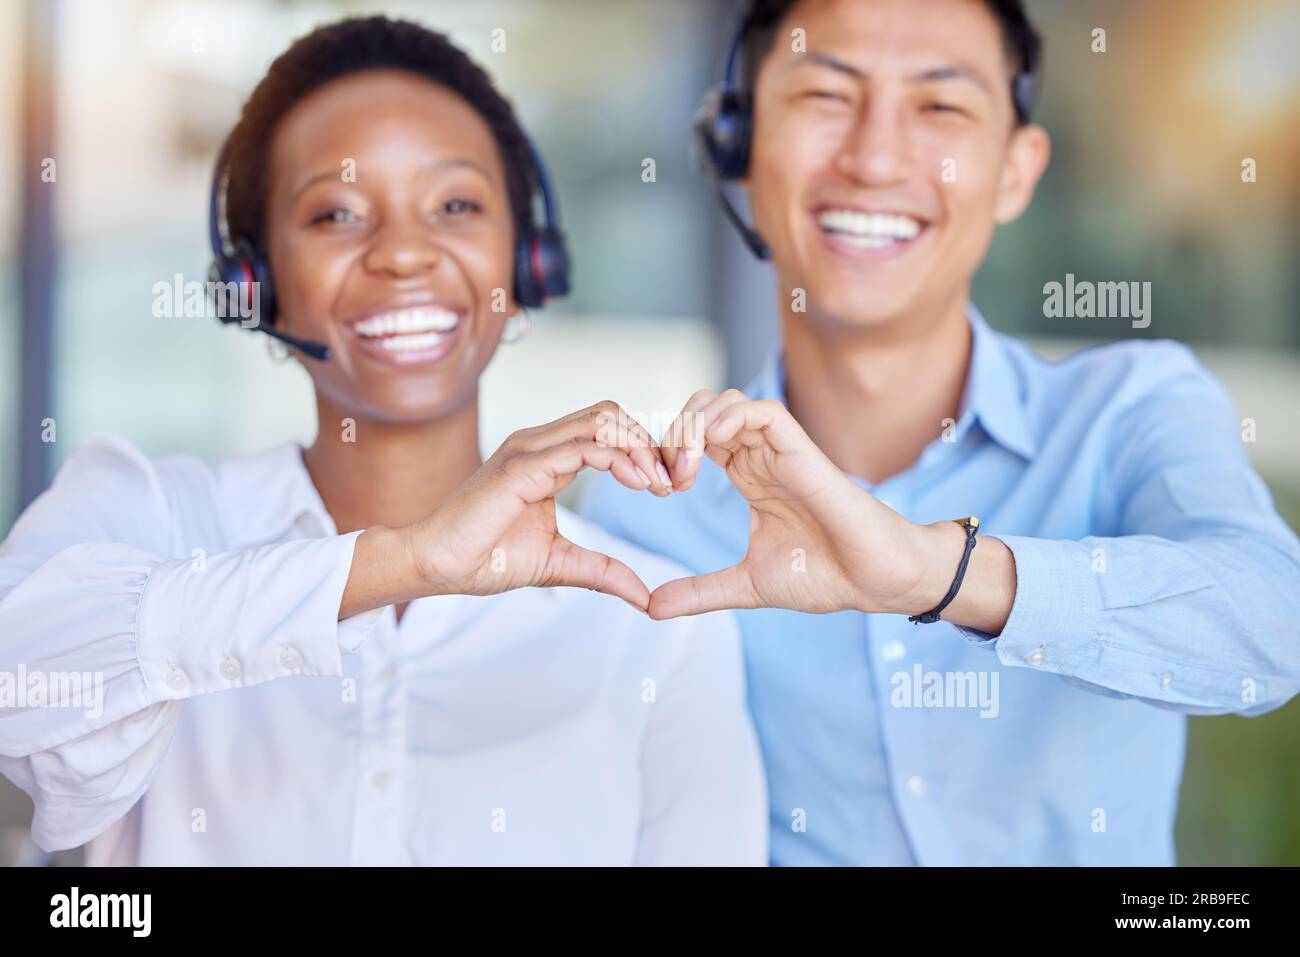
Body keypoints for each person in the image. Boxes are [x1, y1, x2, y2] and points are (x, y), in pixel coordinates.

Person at [0, 16, 765, 866]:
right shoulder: (148, 512)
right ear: (254, 283)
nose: (403, 253)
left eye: (456, 205)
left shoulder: (655, 621)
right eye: (336, 213)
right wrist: (404, 562)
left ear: (528, 262)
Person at [581, 0, 1300, 865]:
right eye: (826, 96)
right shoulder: (646, 514)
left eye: (940, 106)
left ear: (1016, 172)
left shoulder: (1131, 409)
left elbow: (1275, 628)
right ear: (739, 149)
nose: (876, 157)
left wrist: (938, 572)